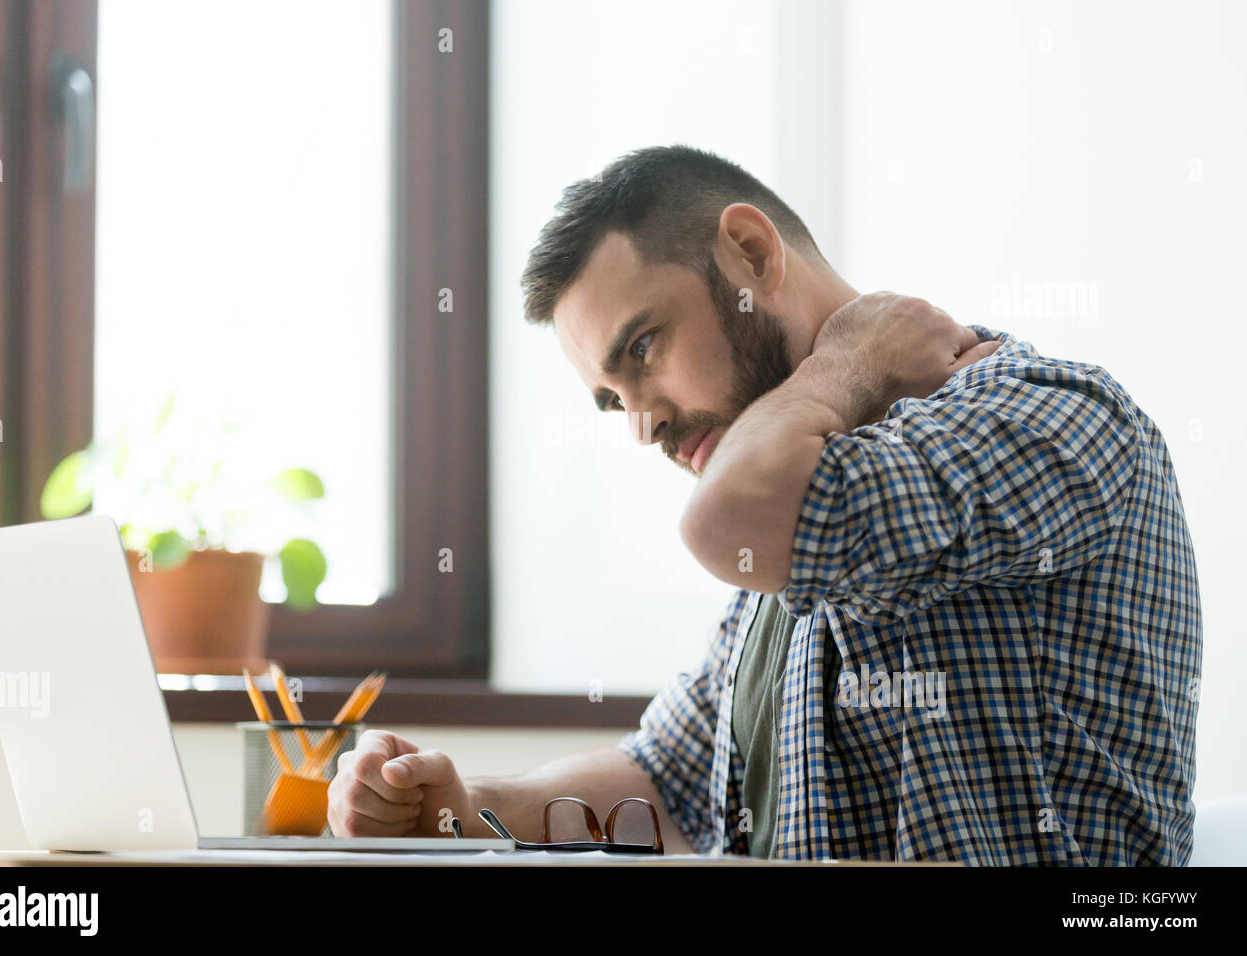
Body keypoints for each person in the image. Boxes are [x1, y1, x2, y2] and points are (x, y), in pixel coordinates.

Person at [328, 145, 1201, 864]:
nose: (644, 425)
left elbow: (730, 518)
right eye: (612, 399)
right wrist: (457, 808)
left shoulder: (1044, 413)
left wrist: (844, 362)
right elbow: (664, 784)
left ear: (750, 252)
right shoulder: (781, 529)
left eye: (645, 347)